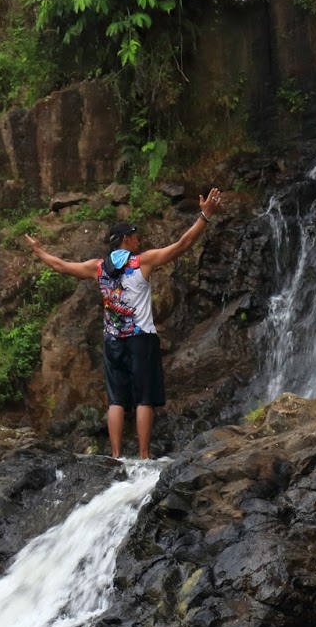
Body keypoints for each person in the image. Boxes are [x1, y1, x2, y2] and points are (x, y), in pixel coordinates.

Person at [23, 188, 221, 459]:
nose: (139, 239)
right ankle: (143, 455)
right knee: (144, 398)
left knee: (116, 400)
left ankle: (115, 457)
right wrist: (204, 217)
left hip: (113, 340)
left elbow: (61, 266)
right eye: (135, 235)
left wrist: (38, 251)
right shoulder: (142, 262)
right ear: (126, 239)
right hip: (141, 338)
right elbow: (181, 246)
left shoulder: (99, 267)